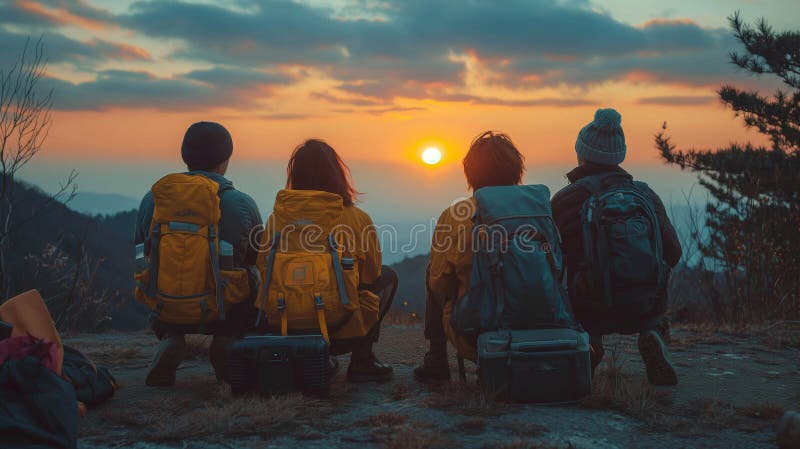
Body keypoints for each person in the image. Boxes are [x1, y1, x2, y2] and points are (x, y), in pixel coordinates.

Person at [550, 108, 682, 386]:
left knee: (565, 278)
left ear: (581, 153)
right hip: (645, 304)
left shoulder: (566, 199)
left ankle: (590, 343)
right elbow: (674, 252)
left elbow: (549, 260)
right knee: (657, 279)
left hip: (592, 307)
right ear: (620, 156)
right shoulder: (644, 194)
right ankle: (652, 332)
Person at [134, 121, 262, 386]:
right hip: (222, 307)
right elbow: (255, 255)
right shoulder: (241, 202)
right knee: (256, 274)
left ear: (185, 156)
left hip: (166, 302)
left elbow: (141, 249)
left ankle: (171, 338)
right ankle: (226, 341)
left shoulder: (154, 198)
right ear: (225, 159)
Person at [261, 139, 397, 383]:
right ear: (337, 175)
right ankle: (362, 360)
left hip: (282, 326)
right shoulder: (357, 219)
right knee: (387, 277)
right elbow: (371, 275)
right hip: (341, 329)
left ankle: (299, 357)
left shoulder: (275, 222)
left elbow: (264, 271)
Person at [414, 131, 526, 381]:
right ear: (517, 172)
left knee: (434, 271)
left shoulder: (455, 215)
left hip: (475, 333)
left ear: (471, 174)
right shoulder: (539, 212)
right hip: (538, 326)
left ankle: (436, 359)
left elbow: (439, 283)